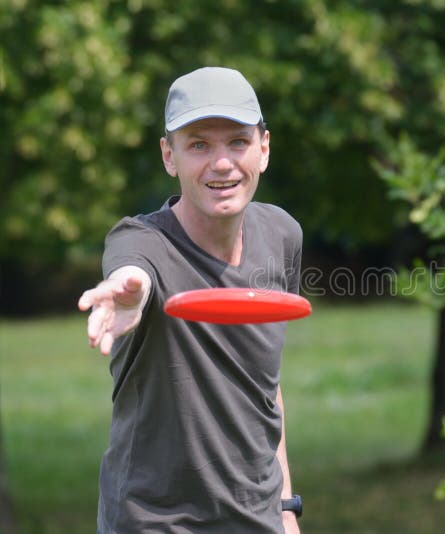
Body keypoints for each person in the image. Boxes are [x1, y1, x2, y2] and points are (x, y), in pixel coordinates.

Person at [78, 66, 303, 534]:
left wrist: (286, 507)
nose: (222, 164)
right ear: (169, 156)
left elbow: (264, 386)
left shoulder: (281, 234)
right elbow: (132, 271)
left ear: (264, 149)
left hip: (258, 521)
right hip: (153, 522)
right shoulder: (140, 241)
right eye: (199, 144)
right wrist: (131, 293)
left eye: (237, 142)